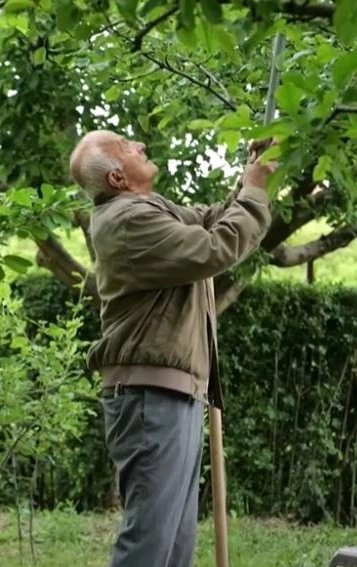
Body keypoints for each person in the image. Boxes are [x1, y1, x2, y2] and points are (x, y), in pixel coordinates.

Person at [68, 130, 275, 567]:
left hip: (168, 394)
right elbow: (215, 247)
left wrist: (250, 179)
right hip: (151, 398)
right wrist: (254, 189)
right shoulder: (129, 222)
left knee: (174, 543)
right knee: (151, 541)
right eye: (127, 147)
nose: (140, 145)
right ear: (118, 178)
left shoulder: (150, 209)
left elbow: (213, 219)